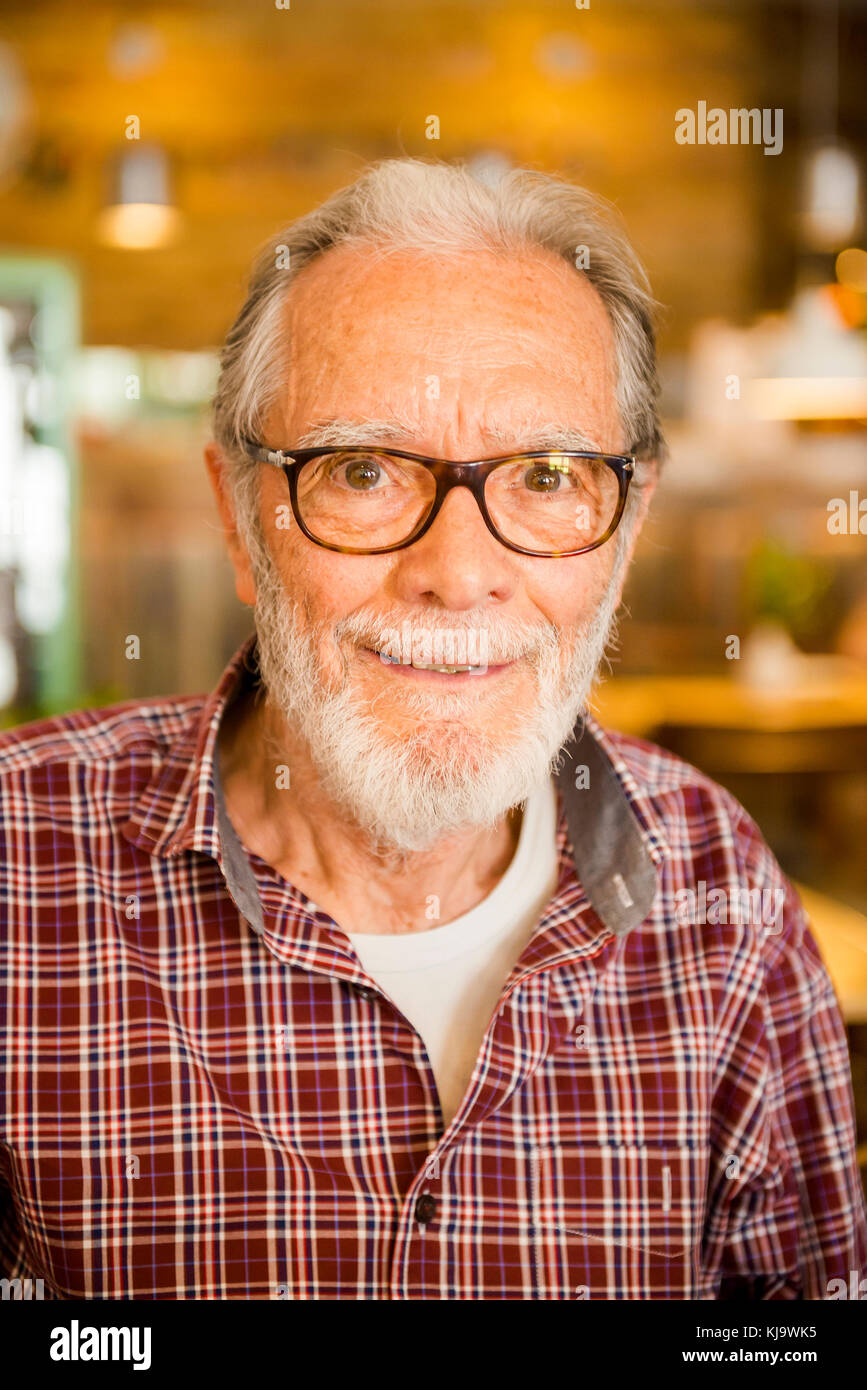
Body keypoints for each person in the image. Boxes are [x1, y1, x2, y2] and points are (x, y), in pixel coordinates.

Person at [1, 158, 864, 1300]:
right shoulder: (16, 872)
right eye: (363, 470)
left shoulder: (727, 902)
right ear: (235, 515)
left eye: (550, 474)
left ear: (628, 523)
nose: (459, 575)